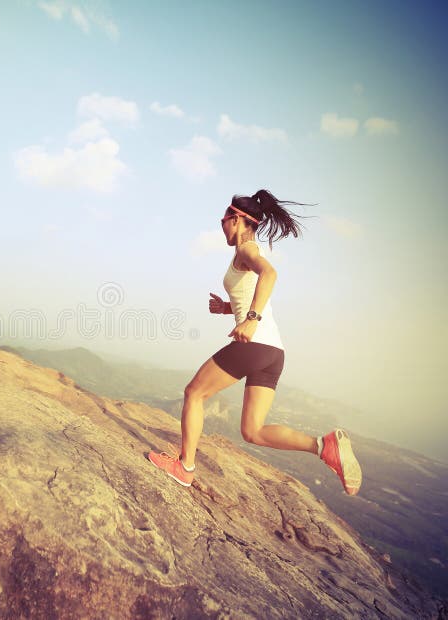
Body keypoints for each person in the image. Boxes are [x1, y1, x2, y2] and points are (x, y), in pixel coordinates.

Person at [148, 189, 362, 495]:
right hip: (273, 351)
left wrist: (250, 319)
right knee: (252, 431)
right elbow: (250, 290)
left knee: (194, 392)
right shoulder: (244, 254)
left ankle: (185, 468)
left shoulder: (247, 251)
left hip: (255, 343)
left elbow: (270, 274)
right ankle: (322, 445)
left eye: (224, 219)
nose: (221, 225)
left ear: (236, 220)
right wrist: (229, 309)